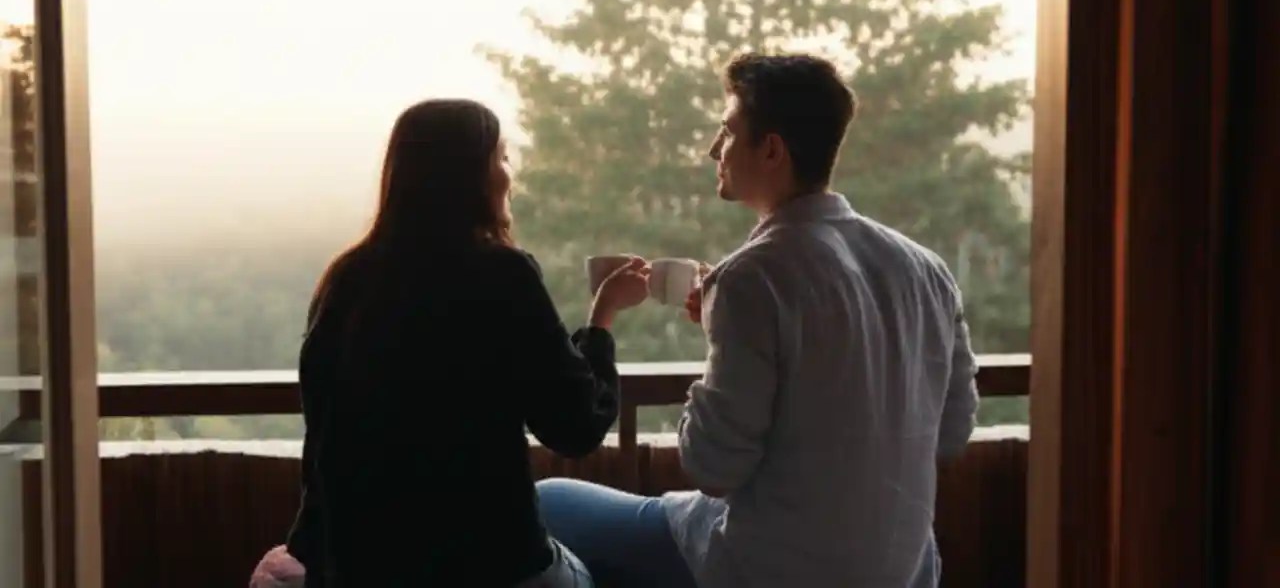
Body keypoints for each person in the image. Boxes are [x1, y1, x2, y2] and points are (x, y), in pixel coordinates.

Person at [536, 53, 980, 587]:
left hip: (768, 566)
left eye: (726, 132)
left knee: (547, 501)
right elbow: (952, 433)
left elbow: (714, 468)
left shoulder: (752, 276)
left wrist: (718, 340)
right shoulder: (926, 269)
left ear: (771, 149)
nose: (712, 149)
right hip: (901, 571)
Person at [253, 99, 650, 587]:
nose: (510, 174)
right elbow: (575, 426)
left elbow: (323, 440)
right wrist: (602, 320)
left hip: (361, 567)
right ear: (471, 176)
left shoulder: (348, 280)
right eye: (501, 157)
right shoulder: (501, 274)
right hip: (490, 566)